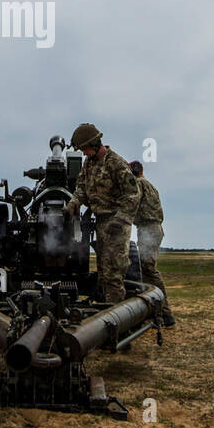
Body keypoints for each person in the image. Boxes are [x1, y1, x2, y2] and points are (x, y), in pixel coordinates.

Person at [64, 123, 139, 304]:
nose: (83, 153)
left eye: (85, 149)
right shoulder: (89, 164)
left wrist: (120, 220)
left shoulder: (116, 164)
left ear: (96, 144)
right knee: (103, 274)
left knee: (114, 274)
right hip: (101, 223)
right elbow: (81, 188)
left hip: (116, 224)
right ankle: (106, 311)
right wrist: (73, 203)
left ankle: (116, 316)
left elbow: (133, 195)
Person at [130, 159, 176, 326]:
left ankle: (164, 313)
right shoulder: (150, 185)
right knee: (146, 269)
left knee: (148, 269)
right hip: (152, 229)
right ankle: (158, 313)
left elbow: (132, 204)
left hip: (148, 229)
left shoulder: (138, 185)